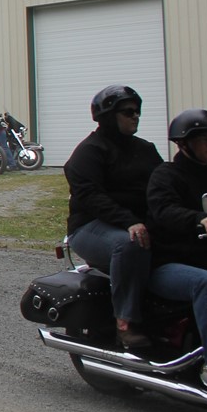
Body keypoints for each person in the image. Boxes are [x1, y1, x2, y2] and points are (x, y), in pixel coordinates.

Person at [145, 109, 207, 397]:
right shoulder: (166, 176)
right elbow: (164, 211)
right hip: (167, 265)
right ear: (184, 143)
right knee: (206, 283)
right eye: (205, 139)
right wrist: (200, 219)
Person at [63, 84, 162, 351]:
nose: (135, 116)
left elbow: (165, 185)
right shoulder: (90, 151)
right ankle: (126, 323)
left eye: (137, 111)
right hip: (90, 227)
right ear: (108, 115)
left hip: (135, 223)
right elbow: (91, 197)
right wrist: (129, 221)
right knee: (130, 243)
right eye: (128, 112)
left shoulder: (146, 149)